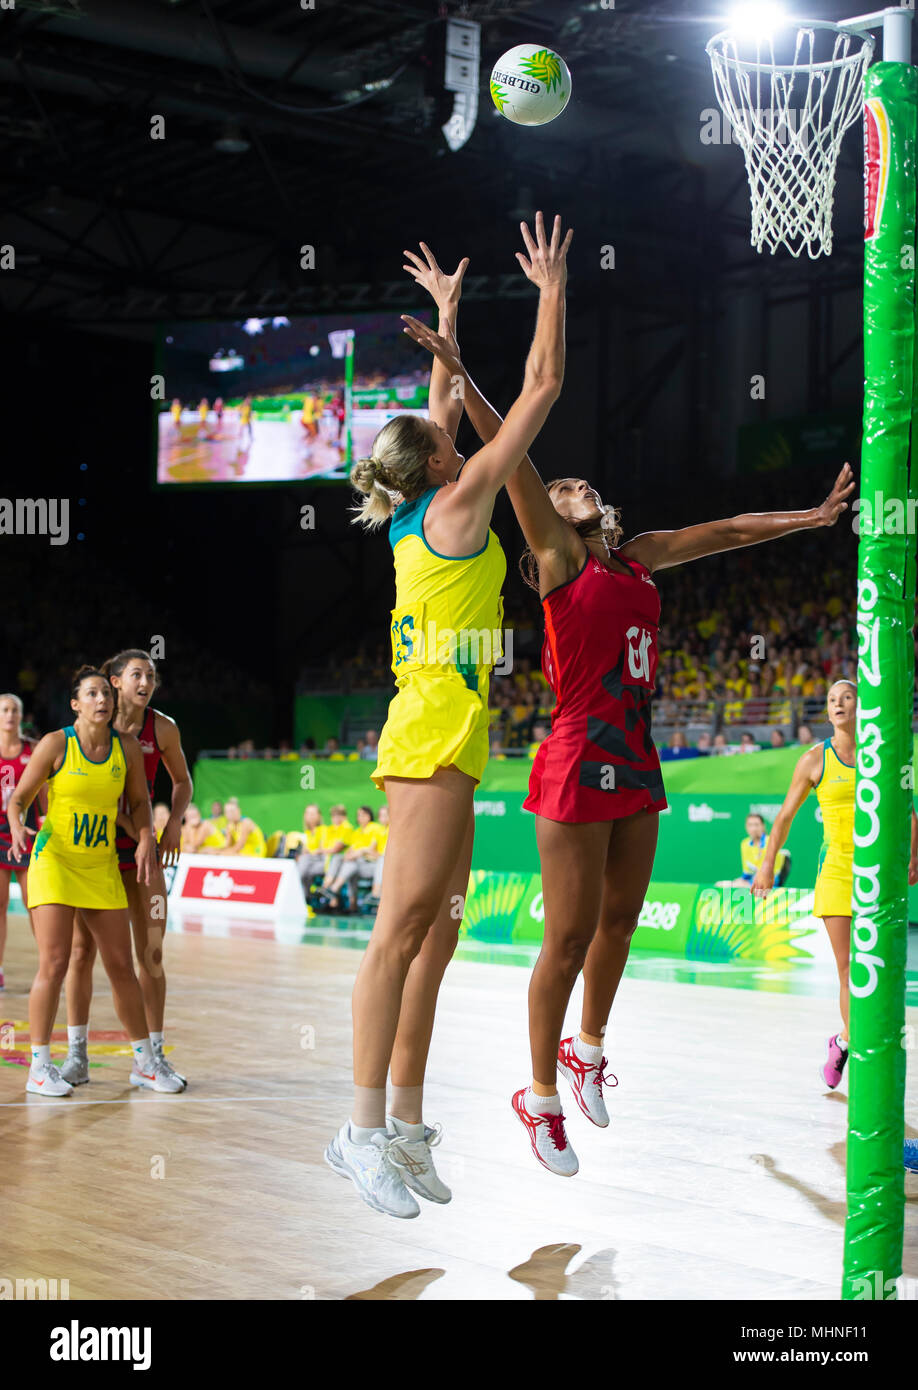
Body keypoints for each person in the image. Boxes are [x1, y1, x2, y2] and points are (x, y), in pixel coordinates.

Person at [407, 254, 855, 1173]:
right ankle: (538, 1097)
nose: (576, 486)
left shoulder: (639, 556)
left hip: (638, 756)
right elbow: (512, 450)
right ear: (552, 518)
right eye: (562, 489)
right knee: (567, 938)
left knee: (618, 927)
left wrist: (809, 520)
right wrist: (462, 367)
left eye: (580, 485)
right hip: (577, 756)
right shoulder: (558, 559)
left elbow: (724, 531)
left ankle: (589, 1050)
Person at [324, 214, 572, 1218]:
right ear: (435, 463)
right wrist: (551, 290)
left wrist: (451, 316)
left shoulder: (422, 506)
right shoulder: (461, 502)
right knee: (399, 934)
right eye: (444, 436)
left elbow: (440, 406)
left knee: (438, 939)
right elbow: (541, 389)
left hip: (450, 726)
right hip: (430, 725)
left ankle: (406, 1123)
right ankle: (358, 1131)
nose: (453, 430)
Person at [6, 667, 182, 1096]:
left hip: (100, 865)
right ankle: (40, 1067)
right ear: (75, 704)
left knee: (121, 965)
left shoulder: (126, 748)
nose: (102, 700)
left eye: (105, 693)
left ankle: (145, 1063)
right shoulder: (55, 743)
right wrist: (15, 825)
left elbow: (139, 803)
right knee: (56, 961)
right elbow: (19, 798)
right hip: (55, 861)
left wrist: (146, 836)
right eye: (92, 694)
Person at [752, 679, 918, 1089]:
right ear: (827, 712)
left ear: (862, 705)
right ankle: (862, 1056)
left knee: (878, 967)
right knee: (849, 970)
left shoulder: (882, 754)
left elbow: (907, 808)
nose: (839, 703)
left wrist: (913, 854)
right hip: (837, 872)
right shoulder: (814, 760)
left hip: (878, 874)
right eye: (832, 700)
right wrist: (766, 864)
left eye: (847, 697)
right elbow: (784, 817)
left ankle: (843, 1040)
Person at [59, 649, 192, 1090]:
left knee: (151, 954)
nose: (146, 682)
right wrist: (136, 827)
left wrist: (173, 823)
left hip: (143, 853)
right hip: (95, 852)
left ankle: (152, 1057)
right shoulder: (95, 726)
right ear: (115, 682)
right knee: (81, 953)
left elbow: (182, 781)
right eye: (137, 674)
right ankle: (76, 1057)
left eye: (151, 675)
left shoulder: (163, 728)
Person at [0, 693, 43, 989]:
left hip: (27, 833)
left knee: (35, 904)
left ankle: (50, 965)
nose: (10, 715)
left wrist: (45, 826)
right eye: (4, 710)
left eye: (14, 710)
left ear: (21, 715)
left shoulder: (34, 749)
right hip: (0, 833)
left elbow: (45, 795)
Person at [323, 806, 384, 912]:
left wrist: (360, 852)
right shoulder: (357, 832)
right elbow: (350, 851)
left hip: (372, 864)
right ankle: (349, 903)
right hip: (359, 863)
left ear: (369, 816)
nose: (361, 817)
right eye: (359, 815)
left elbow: (371, 850)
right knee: (347, 863)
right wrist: (352, 855)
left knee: (352, 864)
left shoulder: (375, 828)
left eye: (363, 815)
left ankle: (333, 889)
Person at [733, 812, 788, 888]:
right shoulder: (744, 843)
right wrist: (737, 882)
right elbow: (747, 873)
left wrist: (745, 884)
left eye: (756, 825)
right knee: (725, 885)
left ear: (763, 826)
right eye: (750, 825)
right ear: (746, 827)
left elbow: (772, 874)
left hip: (772, 880)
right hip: (754, 880)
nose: (753, 829)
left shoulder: (771, 842)